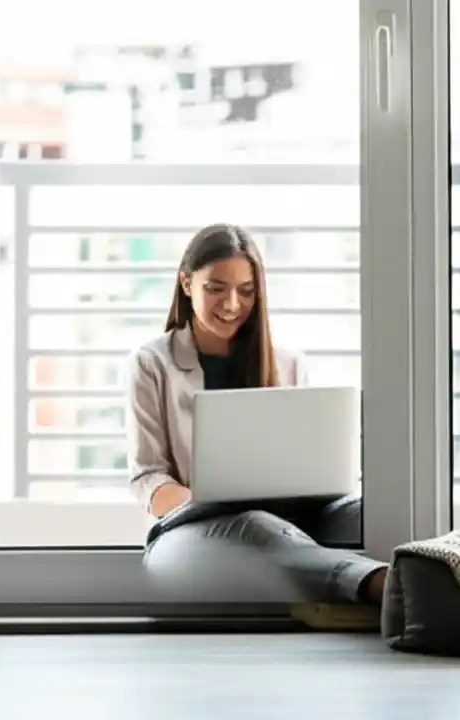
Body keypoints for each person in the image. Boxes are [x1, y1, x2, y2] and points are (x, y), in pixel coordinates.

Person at [128, 223, 387, 605]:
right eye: (216, 288)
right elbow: (149, 479)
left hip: (289, 519)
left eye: (246, 292)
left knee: (367, 512)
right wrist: (214, 501)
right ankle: (380, 585)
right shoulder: (152, 364)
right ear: (186, 283)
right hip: (188, 531)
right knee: (257, 525)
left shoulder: (288, 364)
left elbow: (309, 461)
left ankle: (447, 570)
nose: (232, 305)